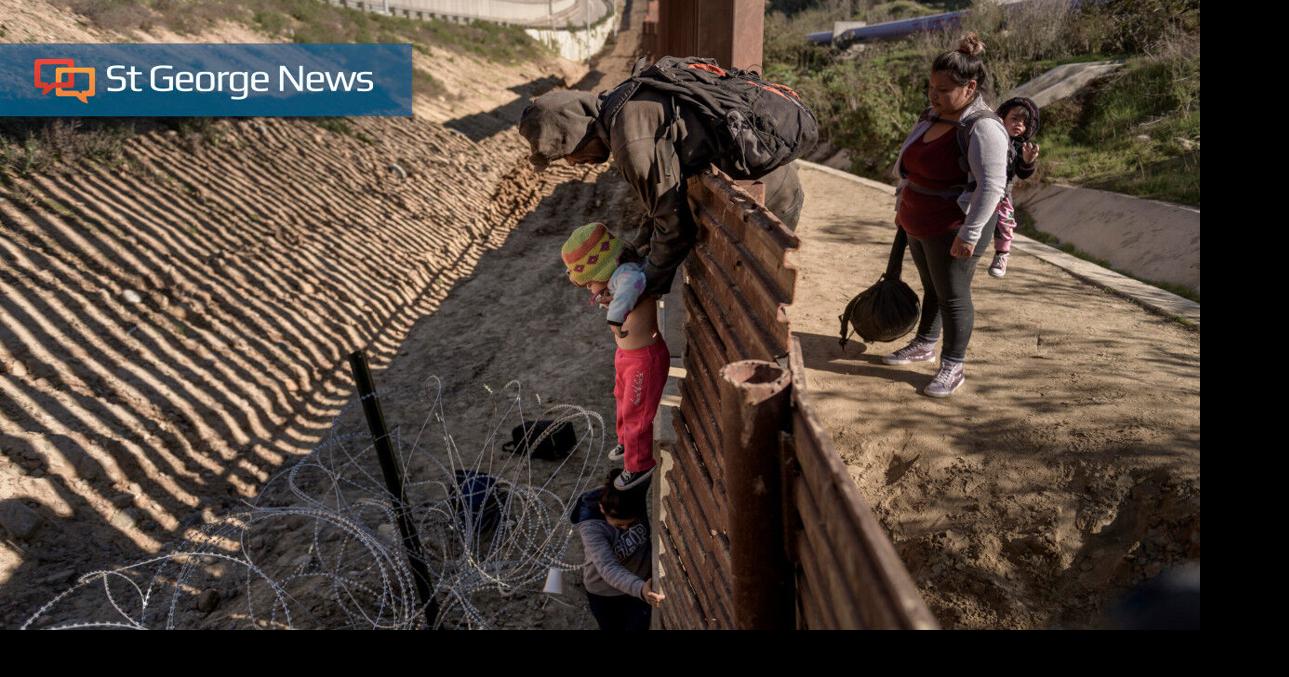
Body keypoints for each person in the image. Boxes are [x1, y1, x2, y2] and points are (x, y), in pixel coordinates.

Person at [520, 83, 804, 299]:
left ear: (578, 131)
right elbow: (660, 205)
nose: (570, 161)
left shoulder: (630, 141)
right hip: (756, 185)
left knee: (755, 297)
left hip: (769, 194)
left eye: (566, 151)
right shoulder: (623, 106)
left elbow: (674, 226)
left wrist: (643, 287)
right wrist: (637, 254)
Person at [882, 33, 1009, 398]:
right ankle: (924, 343)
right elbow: (911, 167)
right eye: (931, 88)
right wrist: (901, 208)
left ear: (970, 88)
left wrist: (969, 235)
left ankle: (953, 365)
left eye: (942, 89)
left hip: (954, 224)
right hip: (918, 219)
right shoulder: (932, 116)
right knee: (933, 287)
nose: (934, 96)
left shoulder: (983, 127)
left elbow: (991, 187)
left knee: (953, 294)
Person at [562, 222, 667, 490]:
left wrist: (615, 315)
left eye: (589, 283)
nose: (589, 289)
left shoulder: (627, 275)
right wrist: (606, 295)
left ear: (603, 268)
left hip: (644, 359)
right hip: (628, 356)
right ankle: (625, 442)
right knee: (621, 398)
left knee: (636, 411)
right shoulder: (616, 280)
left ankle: (639, 464)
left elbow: (632, 284)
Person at [570, 468, 666, 630]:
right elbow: (608, 568)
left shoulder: (633, 496)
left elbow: (646, 468)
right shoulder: (591, 528)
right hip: (606, 594)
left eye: (631, 523)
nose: (626, 528)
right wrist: (640, 589)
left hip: (640, 586)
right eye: (620, 525)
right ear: (602, 509)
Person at [987, 96, 1041, 278]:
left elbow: (1023, 173)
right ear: (1002, 117)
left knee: (1005, 223)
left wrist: (1027, 161)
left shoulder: (1020, 147)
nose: (1019, 124)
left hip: (1002, 193)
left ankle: (1001, 255)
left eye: (1024, 122)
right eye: (1014, 119)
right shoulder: (989, 137)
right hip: (980, 187)